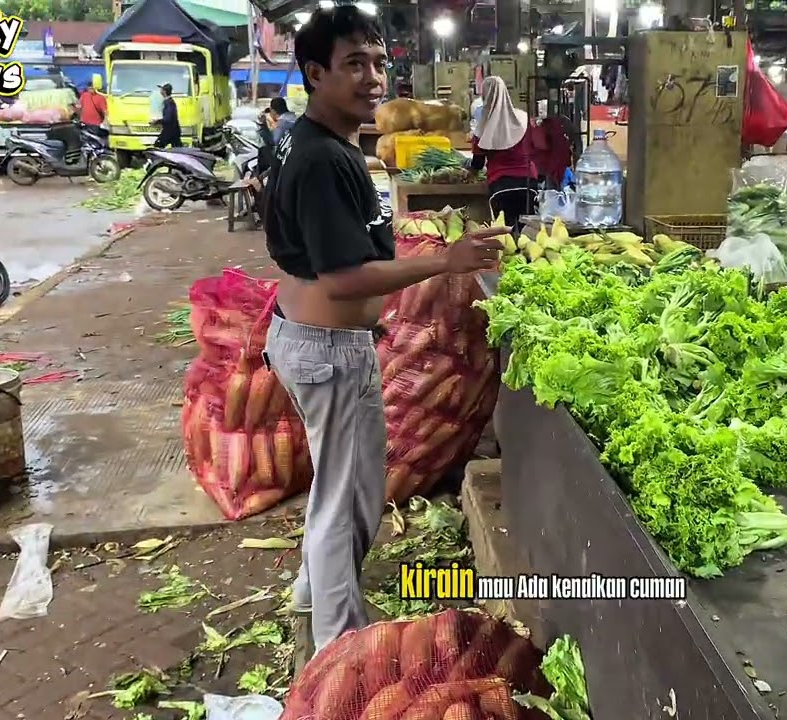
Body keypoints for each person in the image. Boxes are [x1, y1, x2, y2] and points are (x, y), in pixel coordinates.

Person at [261, 6, 503, 651]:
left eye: (377, 62)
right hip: (327, 350)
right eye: (353, 65)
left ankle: (311, 599)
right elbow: (343, 278)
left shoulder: (313, 142)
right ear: (314, 73)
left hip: (313, 340)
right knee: (351, 504)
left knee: (339, 488)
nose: (372, 78)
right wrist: (443, 262)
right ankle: (337, 650)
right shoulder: (321, 159)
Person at [469, 76, 538, 229]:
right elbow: (535, 147)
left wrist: (469, 173)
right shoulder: (524, 119)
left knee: (504, 235)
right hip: (528, 182)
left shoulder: (483, 128)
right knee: (528, 233)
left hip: (501, 186)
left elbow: (477, 164)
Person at [150, 84, 181, 148]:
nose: (160, 90)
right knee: (178, 149)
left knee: (158, 146)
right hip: (173, 130)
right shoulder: (169, 102)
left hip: (170, 131)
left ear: (164, 91)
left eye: (161, 89)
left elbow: (168, 119)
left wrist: (156, 122)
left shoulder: (169, 103)